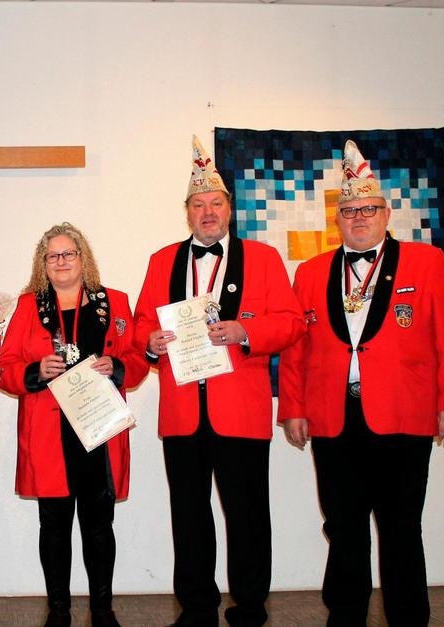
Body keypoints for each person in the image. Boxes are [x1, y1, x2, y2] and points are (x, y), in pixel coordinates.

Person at [277, 140, 444, 627]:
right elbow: (296, 347)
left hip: (405, 416)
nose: (358, 217)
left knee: (402, 526)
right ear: (336, 219)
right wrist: (293, 408)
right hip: (333, 417)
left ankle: (409, 619)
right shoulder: (311, 272)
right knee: (342, 527)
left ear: (386, 214)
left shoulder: (427, 264)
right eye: (349, 211)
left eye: (367, 209)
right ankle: (344, 616)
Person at [133, 135, 304, 627]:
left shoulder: (264, 259)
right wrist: (151, 342)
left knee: (247, 516)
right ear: (186, 212)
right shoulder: (161, 260)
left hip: (241, 413)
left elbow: (292, 323)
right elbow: (144, 321)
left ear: (229, 208)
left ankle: (250, 606)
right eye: (197, 204)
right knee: (189, 517)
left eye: (215, 203)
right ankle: (197, 606)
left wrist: (244, 329)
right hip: (183, 413)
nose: (207, 212)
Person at [0, 223, 149, 627]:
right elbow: (5, 366)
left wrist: (116, 366)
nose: (61, 262)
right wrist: (35, 370)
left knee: (100, 527)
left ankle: (103, 610)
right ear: (42, 264)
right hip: (50, 434)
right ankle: (58, 612)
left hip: (98, 431)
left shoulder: (114, 302)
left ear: (84, 259)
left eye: (69, 254)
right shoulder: (30, 306)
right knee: (54, 527)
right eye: (53, 256)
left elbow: (137, 360)